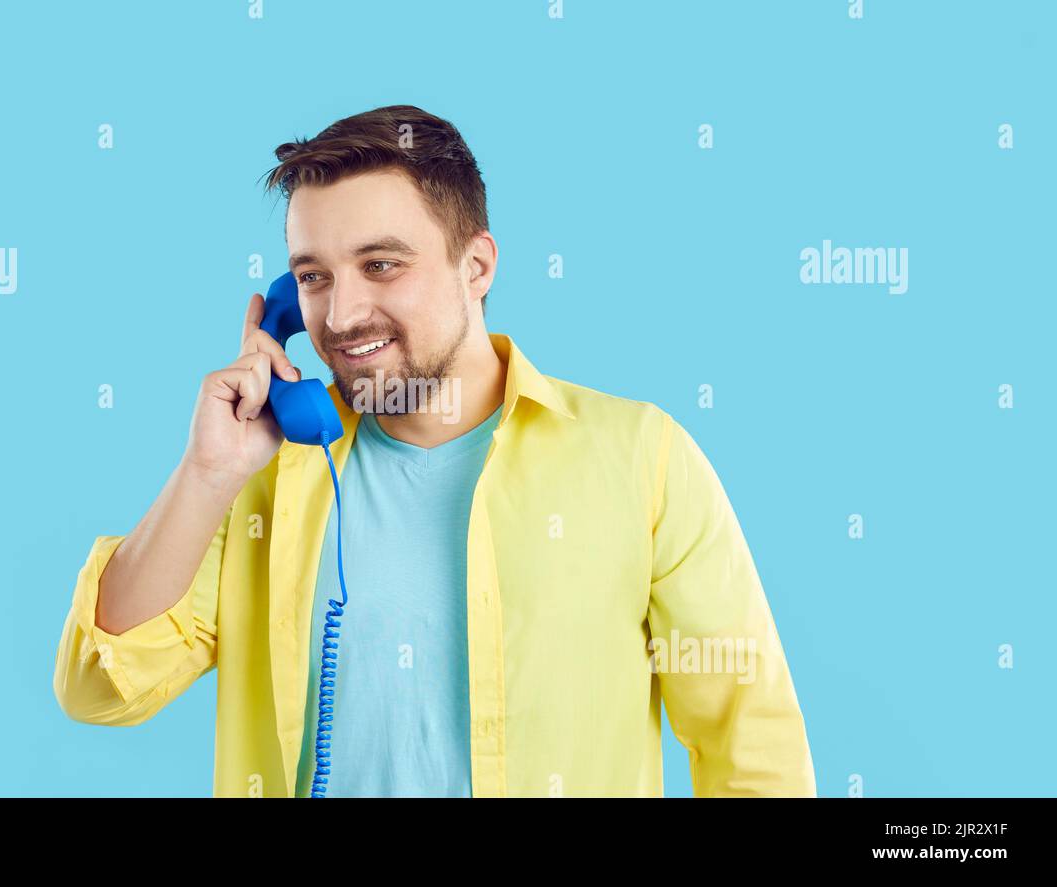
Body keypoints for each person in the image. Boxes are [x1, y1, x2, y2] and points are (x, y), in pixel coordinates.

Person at [52, 104, 816, 798]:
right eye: (313, 277)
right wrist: (207, 472)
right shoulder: (262, 479)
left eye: (381, 264)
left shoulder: (641, 458)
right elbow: (98, 687)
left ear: (476, 267)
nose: (343, 313)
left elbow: (752, 749)